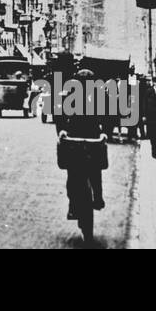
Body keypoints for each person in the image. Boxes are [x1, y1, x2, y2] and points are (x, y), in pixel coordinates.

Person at [56, 67, 107, 218]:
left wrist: (105, 132)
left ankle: (97, 197)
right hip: (74, 137)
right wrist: (62, 130)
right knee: (73, 174)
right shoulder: (68, 95)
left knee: (95, 171)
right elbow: (59, 114)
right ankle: (72, 205)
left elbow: (108, 115)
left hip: (93, 137)